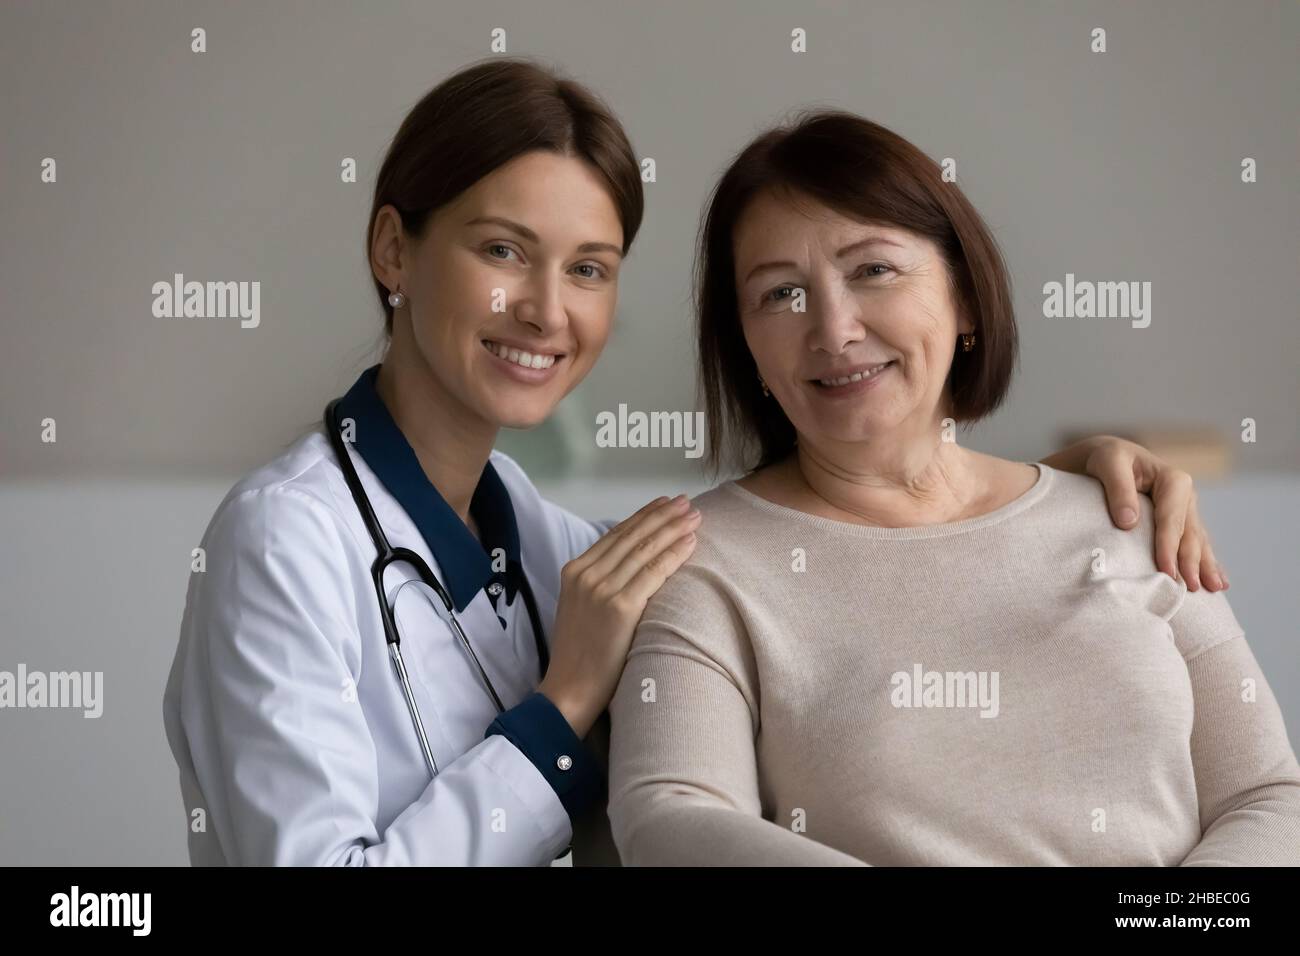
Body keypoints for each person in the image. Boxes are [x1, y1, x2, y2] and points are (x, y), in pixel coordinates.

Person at [163, 61, 1227, 866]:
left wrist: (1060, 500)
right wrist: (563, 699)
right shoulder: (282, 540)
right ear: (393, 249)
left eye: (588, 268)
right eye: (500, 250)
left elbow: (891, 548)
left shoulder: (547, 541)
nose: (546, 308)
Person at [606, 110, 1298, 866]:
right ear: (745, 344)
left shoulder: (1129, 515)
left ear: (964, 297)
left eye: (873, 269)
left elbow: (1266, 796)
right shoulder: (702, 562)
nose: (832, 329)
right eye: (780, 295)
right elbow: (670, 818)